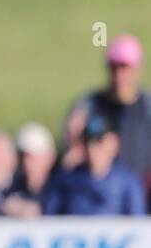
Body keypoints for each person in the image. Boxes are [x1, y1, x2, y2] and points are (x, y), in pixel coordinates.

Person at [64, 35, 151, 188]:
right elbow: (72, 146)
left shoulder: (146, 108)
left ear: (137, 69)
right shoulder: (89, 104)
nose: (119, 75)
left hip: (142, 193)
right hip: (98, 192)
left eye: (125, 68)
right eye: (114, 67)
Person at [40, 113, 145, 216]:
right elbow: (48, 217)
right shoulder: (65, 180)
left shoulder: (127, 183)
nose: (92, 150)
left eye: (98, 142)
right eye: (87, 142)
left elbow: (138, 223)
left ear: (112, 143)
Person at [0, 123, 56, 218]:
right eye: (22, 156)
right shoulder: (9, 189)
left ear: (50, 157)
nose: (26, 162)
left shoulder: (62, 189)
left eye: (32, 156)